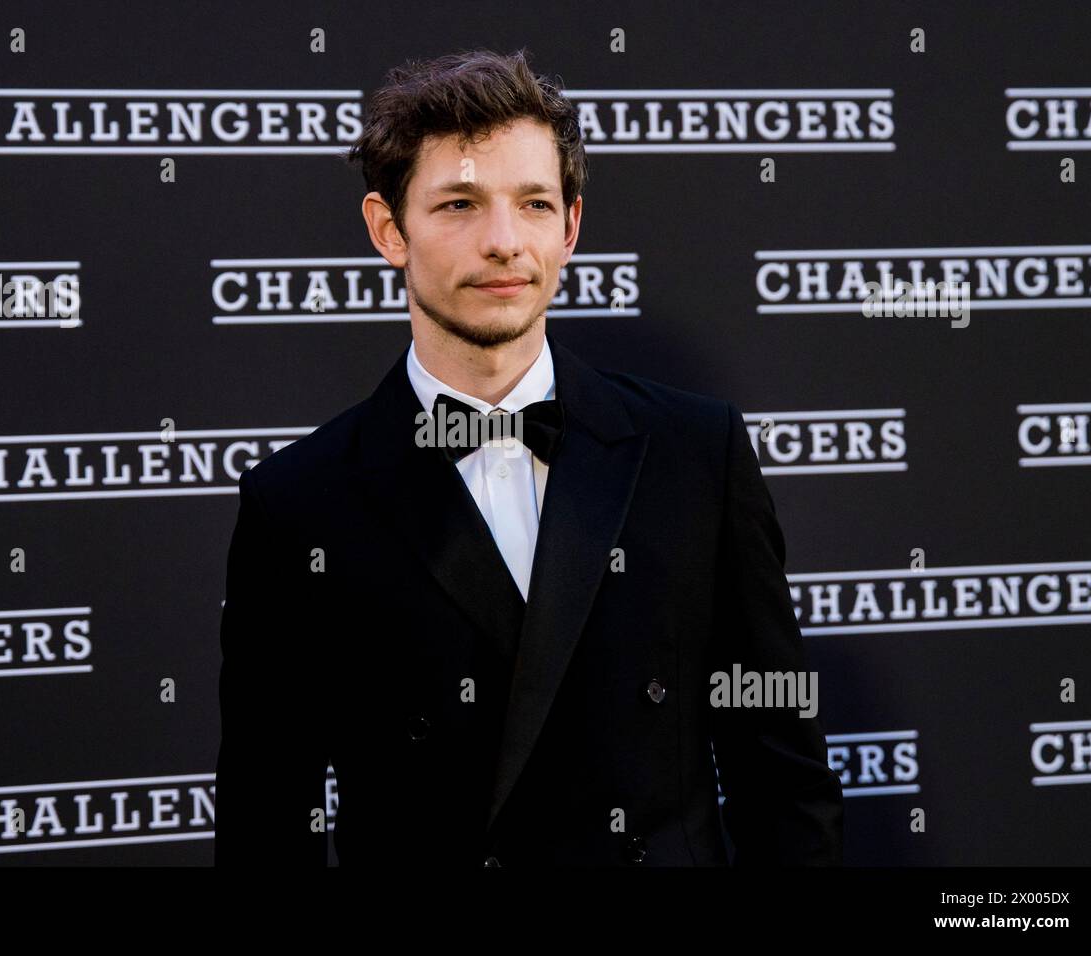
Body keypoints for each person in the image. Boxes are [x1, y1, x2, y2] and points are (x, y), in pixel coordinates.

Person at [215, 48, 843, 866]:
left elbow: (783, 775)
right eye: (460, 205)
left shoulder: (696, 453)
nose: (505, 242)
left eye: (534, 203)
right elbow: (266, 823)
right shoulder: (297, 503)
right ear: (387, 230)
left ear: (571, 227)